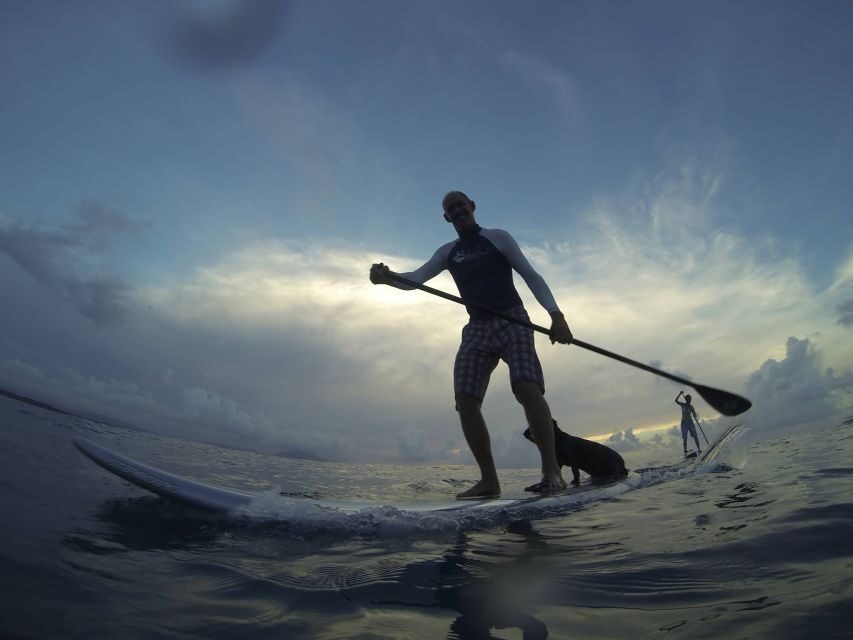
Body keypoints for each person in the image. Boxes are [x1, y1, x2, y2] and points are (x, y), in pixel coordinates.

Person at [369, 190, 573, 498]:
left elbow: (531, 276)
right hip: (477, 327)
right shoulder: (446, 252)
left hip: (513, 320)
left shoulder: (498, 238)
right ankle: (489, 481)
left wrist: (556, 316)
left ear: (472, 207)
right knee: (465, 399)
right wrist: (388, 278)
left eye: (461, 205)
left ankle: (551, 471)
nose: (458, 211)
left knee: (526, 387)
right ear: (446, 217)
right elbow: (415, 279)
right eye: (451, 209)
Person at [675, 390, 702, 455]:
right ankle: (685, 451)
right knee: (685, 438)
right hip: (684, 423)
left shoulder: (691, 407)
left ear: (690, 400)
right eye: (687, 399)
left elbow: (694, 414)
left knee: (695, 436)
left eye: (690, 399)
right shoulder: (683, 404)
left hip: (690, 423)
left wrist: (695, 415)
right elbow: (676, 400)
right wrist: (679, 393)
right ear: (686, 400)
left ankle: (699, 449)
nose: (689, 400)